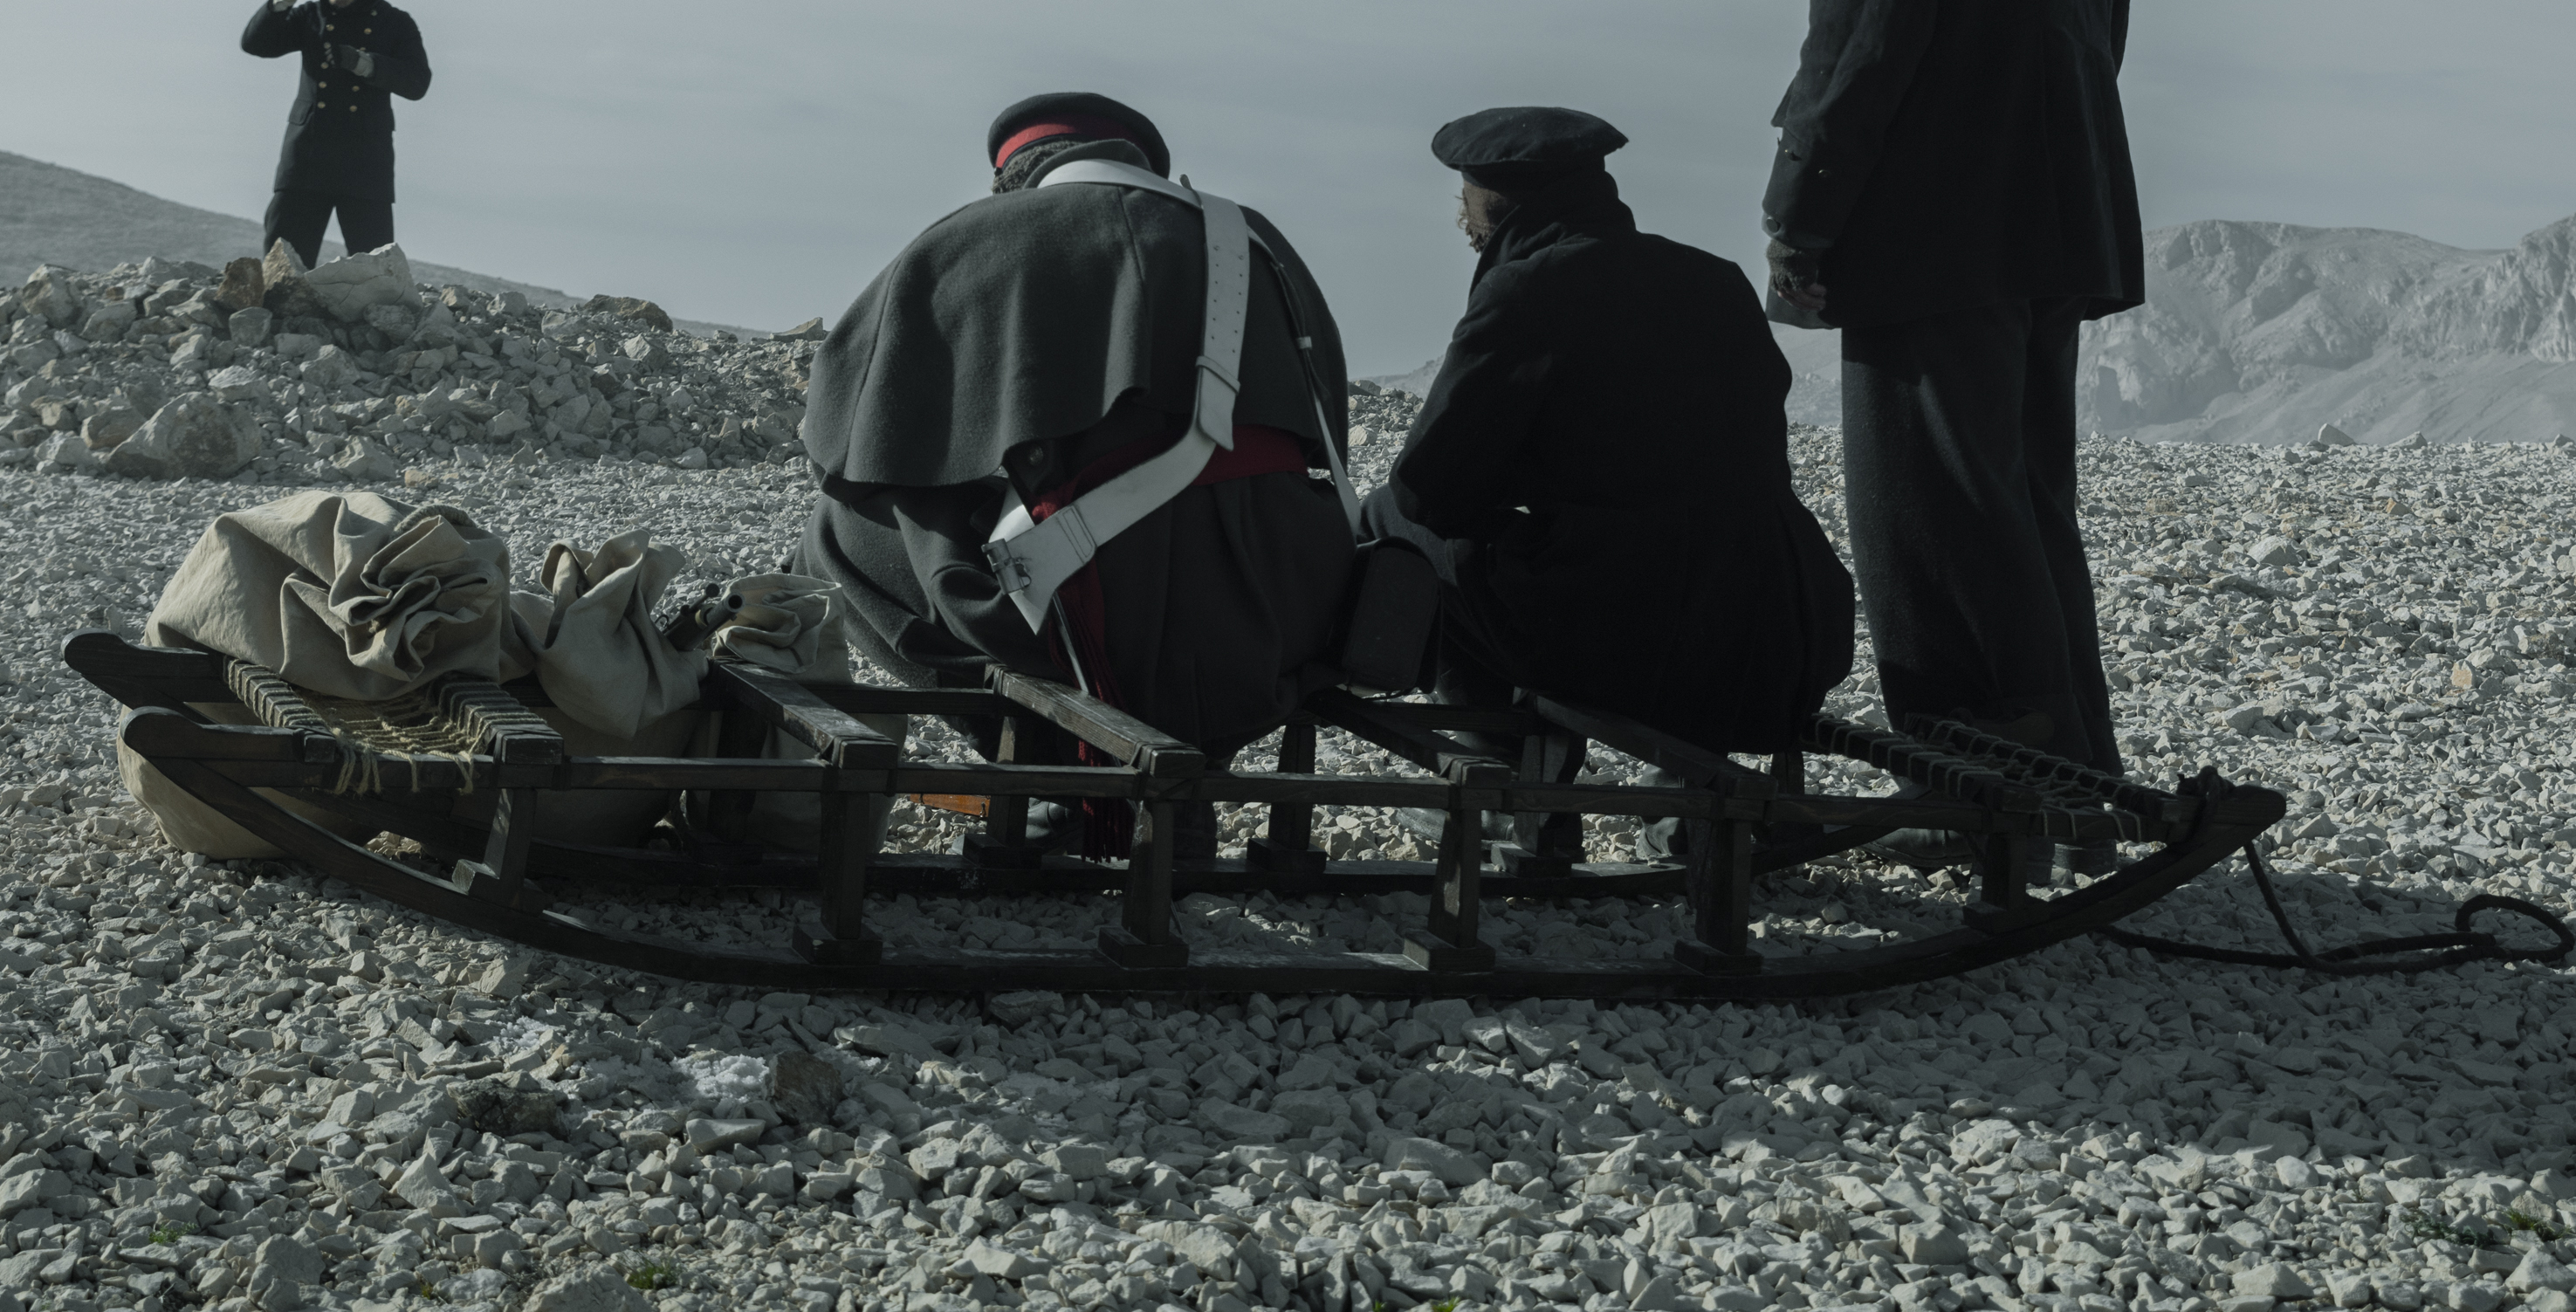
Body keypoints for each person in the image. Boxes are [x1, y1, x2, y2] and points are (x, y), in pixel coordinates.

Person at [1762, 0, 2142, 780]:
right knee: (2023, 497)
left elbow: (1864, 34)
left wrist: (1800, 213)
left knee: (1930, 512)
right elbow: (2105, 21)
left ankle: (1985, 770)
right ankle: (2072, 759)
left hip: (1932, 224)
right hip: (2053, 216)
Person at [793, 93, 1362, 848]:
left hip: (1091, 623)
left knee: (837, 534)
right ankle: (1181, 779)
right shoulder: (1257, 243)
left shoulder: (972, 239)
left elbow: (847, 443)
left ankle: (1049, 764)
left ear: (1013, 180)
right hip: (1269, 621)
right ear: (1141, 167)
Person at [1369, 106, 1855, 765]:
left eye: (1467, 197)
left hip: (1630, 637)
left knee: (1392, 520)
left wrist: (1514, 504)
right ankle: (1678, 801)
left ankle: (1497, 763)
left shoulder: (1528, 287)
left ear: (1499, 202)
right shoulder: (1717, 279)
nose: (1462, 218)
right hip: (1776, 626)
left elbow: (1427, 490)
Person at [240, 0, 433, 268]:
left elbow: (418, 83)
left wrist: (363, 63)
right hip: (307, 157)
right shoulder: (309, 17)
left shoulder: (394, 22)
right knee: (283, 263)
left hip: (364, 160)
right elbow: (255, 44)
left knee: (374, 268)